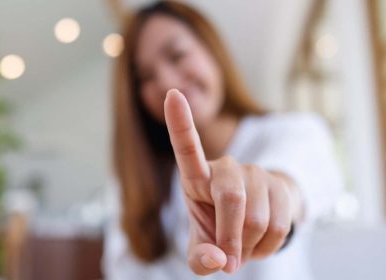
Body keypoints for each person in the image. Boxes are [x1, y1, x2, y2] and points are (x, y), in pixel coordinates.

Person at [104, 1, 343, 279]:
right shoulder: (138, 182)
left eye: (177, 55)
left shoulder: (292, 132)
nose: (167, 81)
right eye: (145, 77)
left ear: (212, 51)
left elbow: (297, 180)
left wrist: (270, 195)